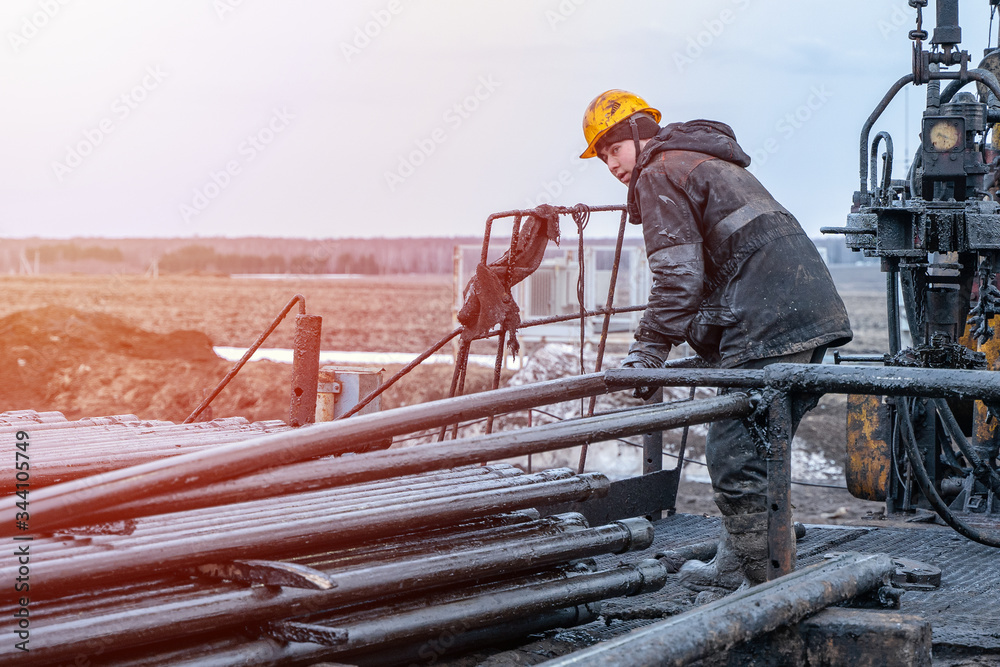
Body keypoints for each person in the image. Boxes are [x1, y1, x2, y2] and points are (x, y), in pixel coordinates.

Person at [580, 89, 853, 592]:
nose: (612, 165)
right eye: (602, 158)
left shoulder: (659, 171)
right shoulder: (702, 159)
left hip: (767, 322)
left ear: (639, 134)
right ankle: (735, 569)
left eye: (614, 149)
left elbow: (678, 277)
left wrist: (648, 350)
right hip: (808, 314)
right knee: (757, 451)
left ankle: (769, 591)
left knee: (734, 459)